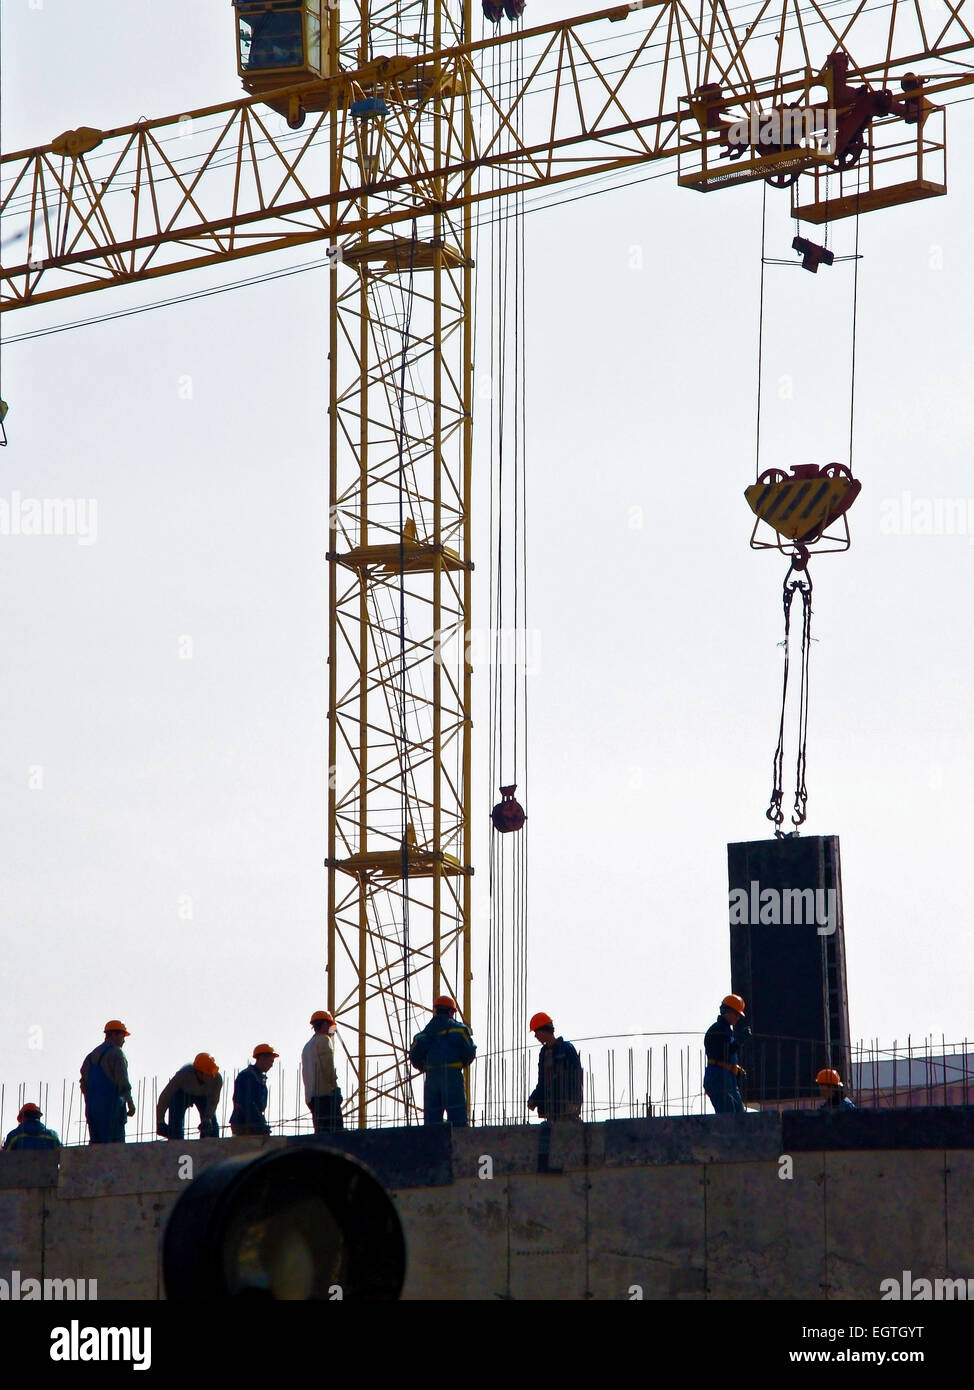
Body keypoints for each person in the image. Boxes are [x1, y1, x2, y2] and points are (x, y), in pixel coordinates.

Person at [409, 996, 476, 1126]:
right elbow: (470, 1051)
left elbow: (414, 1056)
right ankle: (458, 1145)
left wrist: (423, 1067)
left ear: (436, 1011)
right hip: (453, 1077)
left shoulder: (423, 1035)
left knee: (432, 1123)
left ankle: (433, 1145)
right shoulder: (459, 1030)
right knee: (458, 1122)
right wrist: (463, 1063)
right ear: (451, 1012)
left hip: (432, 1078)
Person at [80, 1020, 135, 1143]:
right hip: (112, 1109)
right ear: (114, 1035)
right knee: (115, 1151)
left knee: (96, 1149)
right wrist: (130, 1104)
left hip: (92, 1110)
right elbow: (123, 1082)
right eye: (122, 1036)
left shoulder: (90, 1057)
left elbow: (83, 1086)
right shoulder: (116, 1053)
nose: (124, 1040)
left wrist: (91, 1103)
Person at [527, 1012, 583, 1121]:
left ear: (543, 1030)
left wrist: (575, 1103)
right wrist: (534, 1098)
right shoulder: (543, 1053)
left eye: (536, 1032)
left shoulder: (567, 1049)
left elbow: (576, 1077)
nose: (535, 1036)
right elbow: (543, 1082)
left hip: (567, 1111)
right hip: (551, 1112)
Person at [156, 1053, 223, 1140]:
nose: (211, 1076)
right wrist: (160, 1121)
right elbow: (166, 1096)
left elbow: (214, 1101)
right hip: (182, 1093)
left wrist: (207, 1118)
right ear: (198, 1072)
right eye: (208, 1074)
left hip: (204, 1096)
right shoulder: (183, 1075)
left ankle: (210, 1144)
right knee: (175, 1127)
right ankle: (176, 1142)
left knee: (211, 1128)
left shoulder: (217, 1079)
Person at [703, 994, 749, 1114]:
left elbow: (726, 1056)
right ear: (728, 1012)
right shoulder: (716, 1030)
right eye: (736, 1014)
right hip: (718, 1078)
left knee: (740, 1116)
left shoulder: (727, 1031)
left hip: (728, 1079)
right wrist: (739, 1041)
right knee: (728, 1117)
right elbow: (722, 1053)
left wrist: (735, 1069)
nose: (738, 1018)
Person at [302, 1010, 344, 1133]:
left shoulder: (307, 1046)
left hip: (312, 1097)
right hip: (326, 1096)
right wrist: (334, 1086)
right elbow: (328, 1068)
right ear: (325, 1024)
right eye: (330, 1025)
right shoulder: (324, 1040)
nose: (331, 1029)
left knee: (321, 1133)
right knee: (335, 1133)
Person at [230, 1044, 278, 1136]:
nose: (271, 1065)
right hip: (243, 1122)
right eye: (271, 1061)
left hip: (254, 1120)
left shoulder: (259, 1077)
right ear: (262, 1058)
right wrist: (259, 1124)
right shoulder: (247, 1076)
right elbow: (246, 1103)